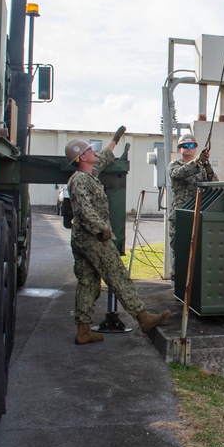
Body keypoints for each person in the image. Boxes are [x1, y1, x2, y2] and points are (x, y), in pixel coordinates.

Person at [66, 133, 171, 344]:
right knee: (118, 276)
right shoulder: (79, 181)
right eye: (88, 150)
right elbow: (84, 210)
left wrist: (115, 139)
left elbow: (104, 156)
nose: (93, 151)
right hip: (92, 238)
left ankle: (83, 331)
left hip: (83, 238)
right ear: (81, 158)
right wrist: (101, 229)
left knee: (88, 283)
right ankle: (143, 317)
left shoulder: (89, 175)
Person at [168, 132, 217, 275]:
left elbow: (213, 183)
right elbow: (179, 173)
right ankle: (177, 282)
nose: (188, 148)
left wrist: (208, 168)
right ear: (180, 149)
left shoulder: (200, 167)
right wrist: (196, 162)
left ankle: (194, 283)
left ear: (195, 148)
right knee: (180, 248)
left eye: (191, 145)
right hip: (180, 213)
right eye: (185, 146)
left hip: (197, 213)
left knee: (198, 249)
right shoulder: (174, 165)